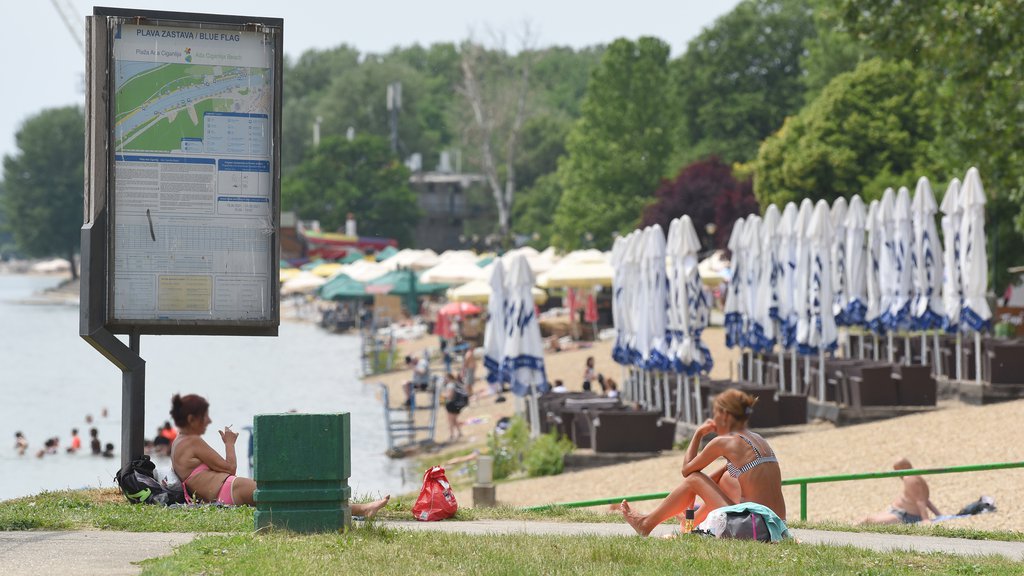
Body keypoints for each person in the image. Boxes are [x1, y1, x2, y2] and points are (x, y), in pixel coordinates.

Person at [169, 393, 391, 514]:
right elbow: (229, 468)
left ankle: (356, 510)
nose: (208, 421)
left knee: (286, 503)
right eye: (204, 417)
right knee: (288, 495)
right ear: (191, 419)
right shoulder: (193, 442)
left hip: (221, 494)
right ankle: (361, 509)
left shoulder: (178, 443)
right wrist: (230, 442)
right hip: (229, 488)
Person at [621, 388, 786, 536]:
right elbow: (712, 483)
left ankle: (646, 524)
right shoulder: (757, 439)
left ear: (725, 415)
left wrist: (698, 434)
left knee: (694, 479)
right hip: (776, 526)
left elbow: (688, 471)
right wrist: (691, 510)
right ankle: (688, 525)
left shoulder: (725, 442)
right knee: (726, 480)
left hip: (753, 527)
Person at [861, 458, 941, 525]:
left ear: (904, 467)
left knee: (867, 520)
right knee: (868, 519)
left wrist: (925, 519)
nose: (896, 474)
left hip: (905, 515)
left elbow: (920, 500)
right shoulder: (916, 476)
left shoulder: (910, 478)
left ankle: (849, 535)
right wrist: (938, 514)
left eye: (897, 470)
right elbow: (925, 500)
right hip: (899, 512)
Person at [443, 375, 469, 442]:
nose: (444, 379)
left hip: (451, 404)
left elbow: (449, 396)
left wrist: (442, 395)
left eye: (445, 378)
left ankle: (452, 435)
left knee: (450, 421)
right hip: (456, 405)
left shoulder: (450, 385)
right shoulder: (456, 384)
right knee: (454, 420)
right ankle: (460, 433)